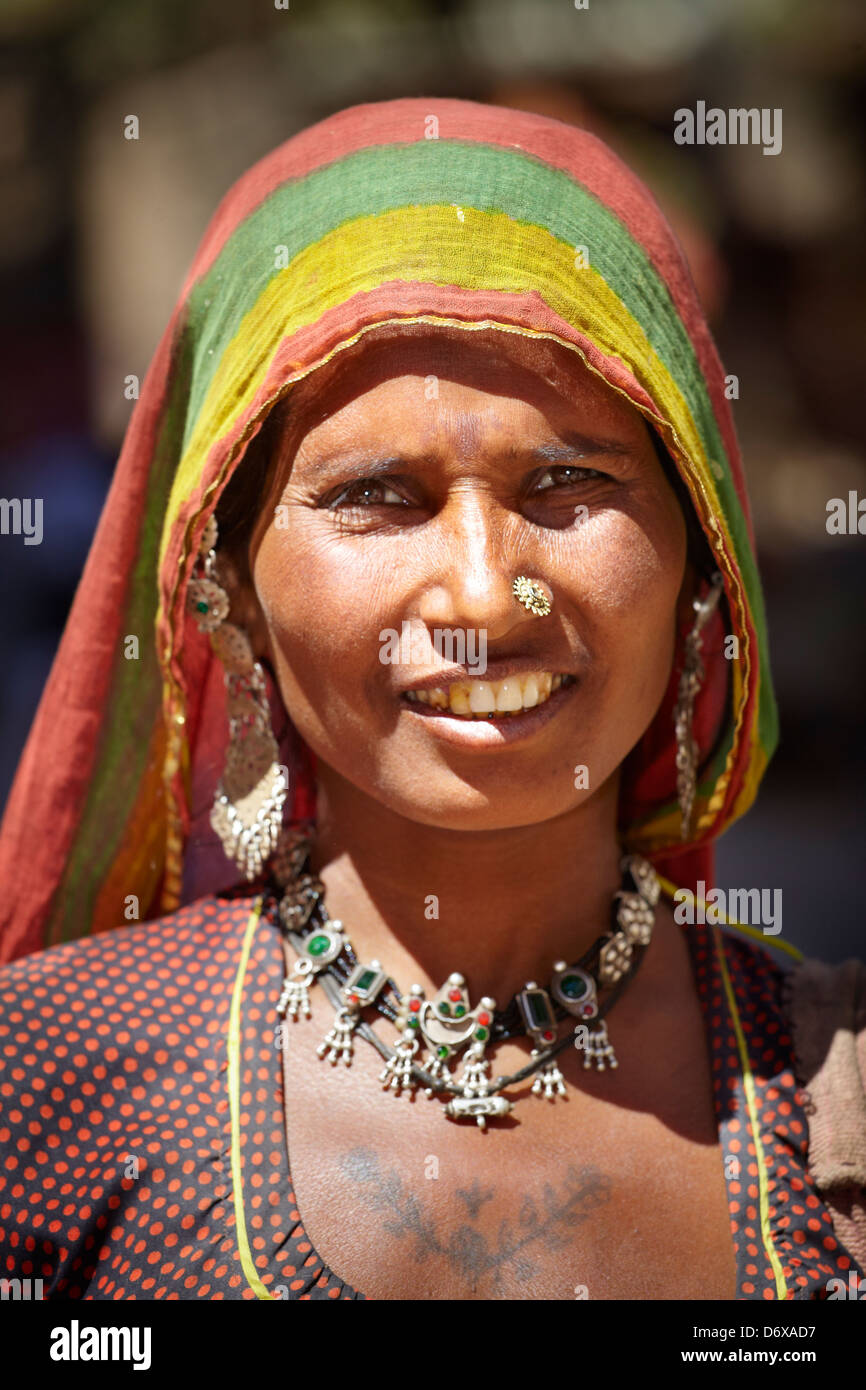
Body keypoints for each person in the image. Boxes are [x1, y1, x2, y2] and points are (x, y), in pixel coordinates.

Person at [0, 97, 862, 1301]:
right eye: (376, 496)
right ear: (230, 589)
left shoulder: (837, 1087)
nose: (482, 592)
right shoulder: (47, 1087)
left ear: (700, 564)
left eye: (567, 481)